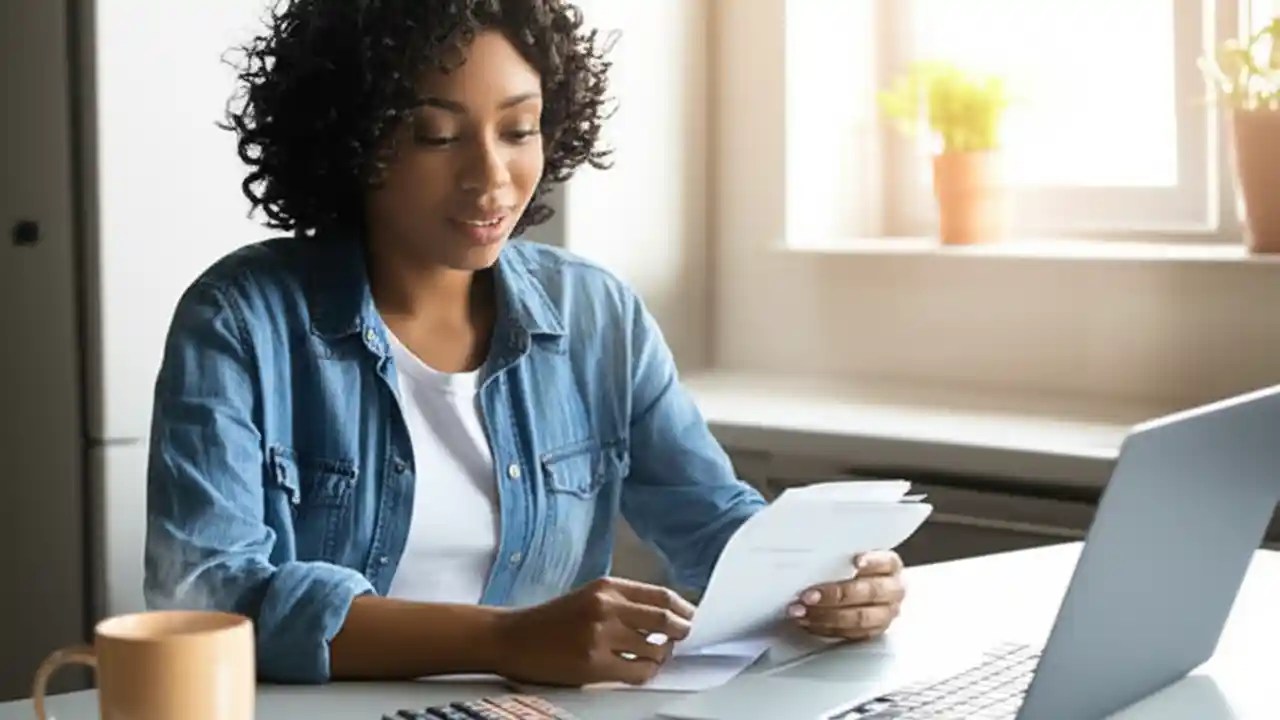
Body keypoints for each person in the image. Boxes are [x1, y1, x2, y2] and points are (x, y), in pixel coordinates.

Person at [144, 0, 906, 687]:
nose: (491, 178)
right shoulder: (241, 319)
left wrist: (830, 581)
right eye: (436, 136)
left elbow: (712, 521)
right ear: (351, 141)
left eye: (519, 130)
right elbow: (209, 596)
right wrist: (504, 640)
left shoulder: (596, 314)